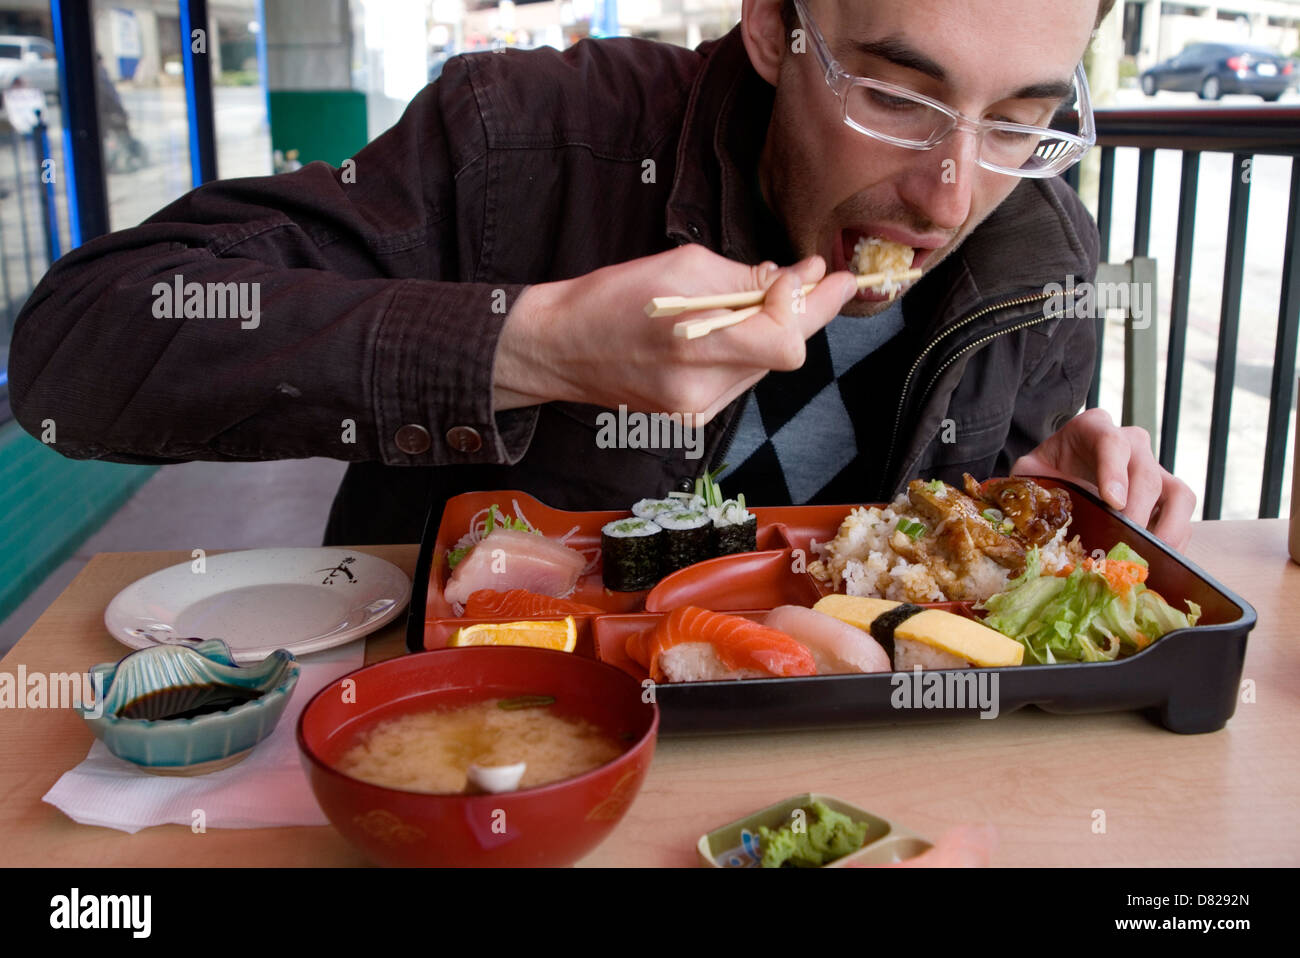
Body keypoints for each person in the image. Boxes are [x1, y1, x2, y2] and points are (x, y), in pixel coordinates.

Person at [7, 0, 1195, 549]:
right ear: (773, 25)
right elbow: (76, 347)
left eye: (1019, 120)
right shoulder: (524, 140)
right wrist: (532, 342)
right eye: (895, 94)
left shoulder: (1038, 249)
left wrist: (1036, 502)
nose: (950, 191)